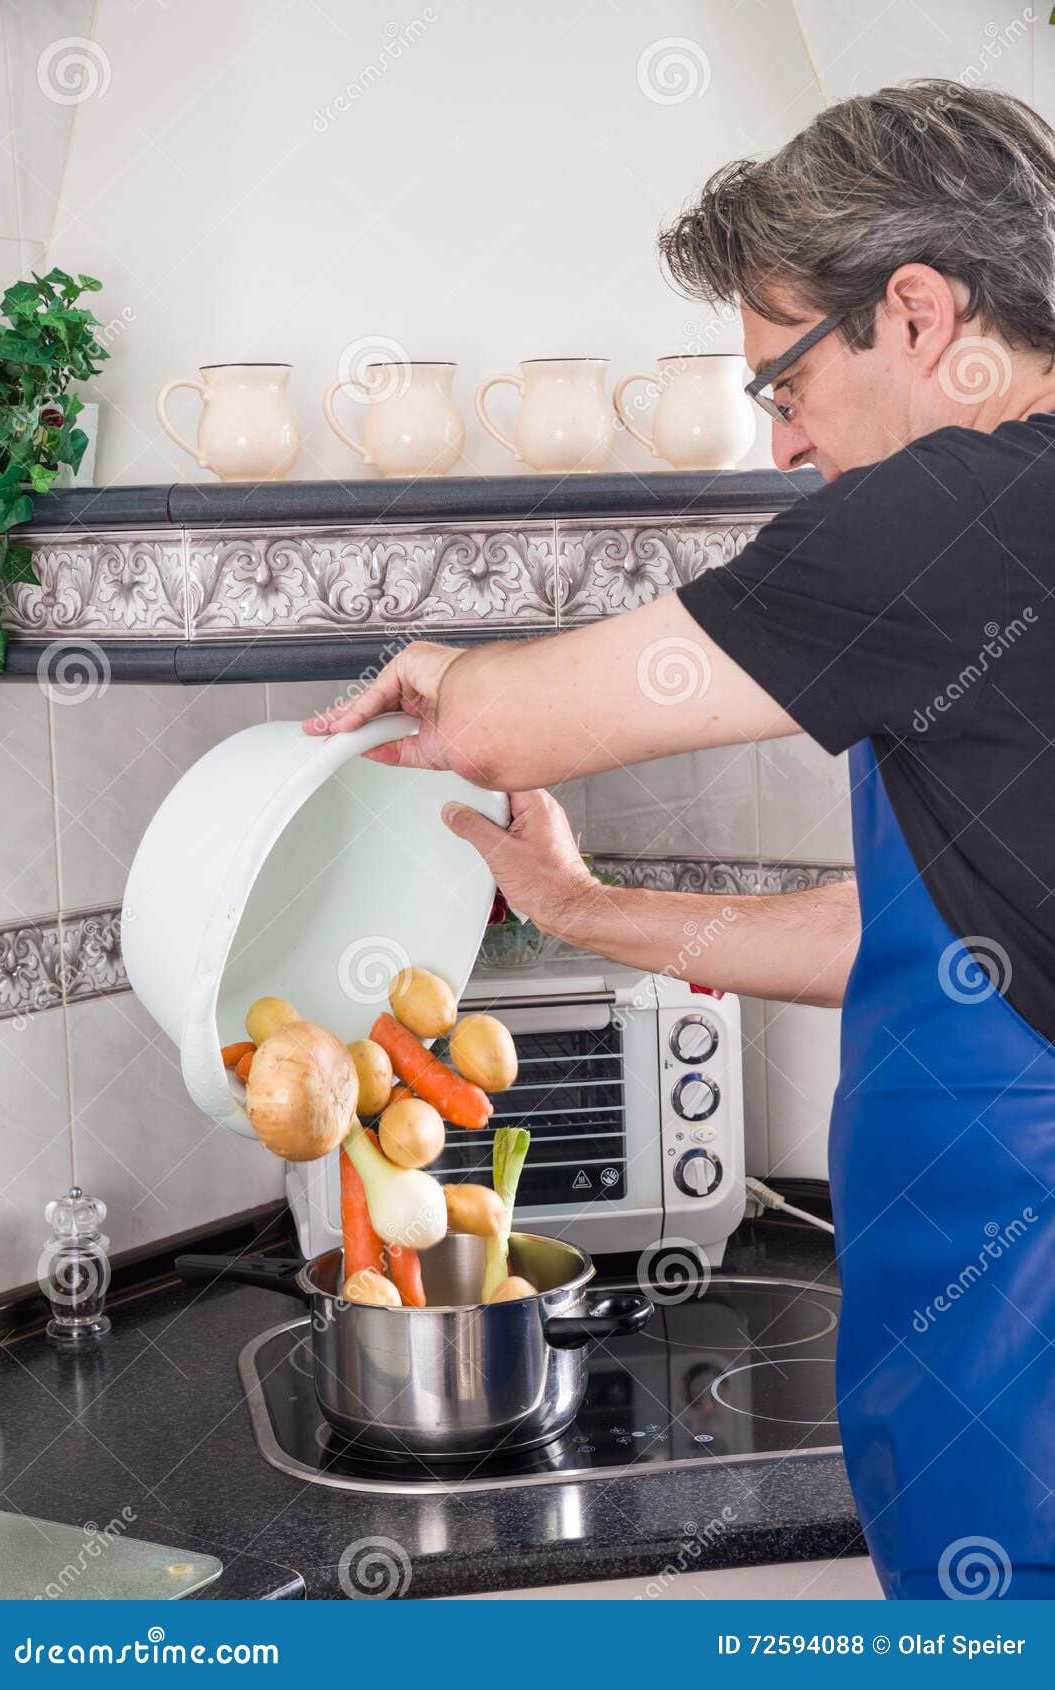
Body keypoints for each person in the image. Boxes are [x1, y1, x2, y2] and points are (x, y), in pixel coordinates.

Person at [307, 81, 1055, 1599]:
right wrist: (580, 908)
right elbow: (927, 942)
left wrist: (436, 678)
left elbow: (508, 724)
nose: (782, 443)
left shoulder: (962, 515)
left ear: (915, 315)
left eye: (781, 382)